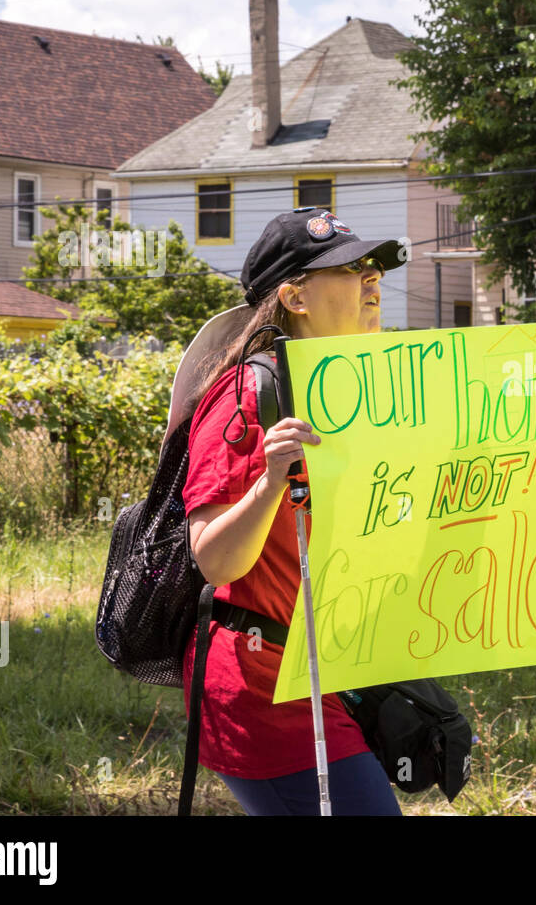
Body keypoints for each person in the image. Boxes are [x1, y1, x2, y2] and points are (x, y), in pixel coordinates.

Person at [172, 207, 405, 815]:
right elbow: (216, 560)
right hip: (261, 686)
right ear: (295, 296)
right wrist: (271, 481)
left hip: (334, 670)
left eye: (373, 266)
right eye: (351, 270)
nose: (373, 278)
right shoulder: (247, 397)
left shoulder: (370, 390)